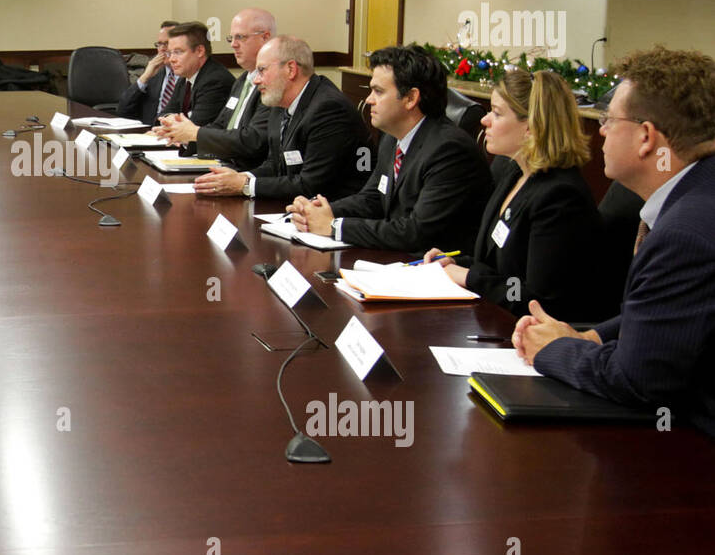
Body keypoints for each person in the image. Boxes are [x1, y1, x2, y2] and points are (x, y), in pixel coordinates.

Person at [514, 47, 715, 435]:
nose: (601, 129)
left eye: (608, 119)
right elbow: (671, 310)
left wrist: (551, 350)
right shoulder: (698, 192)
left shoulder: (684, 233)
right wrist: (592, 335)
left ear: (646, 137)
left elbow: (636, 381)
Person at [422, 70, 609, 320]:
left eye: (497, 113)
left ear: (532, 127)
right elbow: (495, 262)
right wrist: (456, 262)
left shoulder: (560, 197)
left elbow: (534, 300)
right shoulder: (512, 171)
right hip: (493, 318)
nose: (485, 120)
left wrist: (468, 276)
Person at [289, 45, 492, 253]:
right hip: (397, 257)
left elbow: (416, 232)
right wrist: (319, 211)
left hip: (436, 268)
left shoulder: (449, 150)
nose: (369, 100)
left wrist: (334, 226)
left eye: (378, 91)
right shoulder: (391, 137)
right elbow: (373, 198)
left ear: (411, 98)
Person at [193, 36, 369, 200]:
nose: (256, 80)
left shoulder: (328, 109)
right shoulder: (279, 102)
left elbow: (310, 184)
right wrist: (241, 177)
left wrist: (245, 185)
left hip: (332, 209)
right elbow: (275, 163)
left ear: (290, 69)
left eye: (262, 70)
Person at [155, 7, 275, 167]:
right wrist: (184, 136)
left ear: (265, 37)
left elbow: (254, 140)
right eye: (231, 38)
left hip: (247, 170)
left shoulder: (272, 82)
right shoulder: (242, 81)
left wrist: (194, 133)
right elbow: (220, 125)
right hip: (224, 163)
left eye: (240, 37)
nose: (233, 44)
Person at [150, 21, 233, 125]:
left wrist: (170, 121)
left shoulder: (216, 81)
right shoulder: (185, 78)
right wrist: (168, 118)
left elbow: (195, 128)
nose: (171, 59)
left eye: (178, 52)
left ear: (200, 51)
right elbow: (163, 115)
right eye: (170, 53)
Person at [116, 21, 180, 124]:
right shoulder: (153, 70)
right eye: (159, 44)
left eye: (167, 43)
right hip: (147, 132)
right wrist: (144, 77)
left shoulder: (188, 74)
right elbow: (123, 111)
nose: (162, 49)